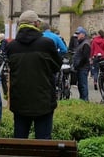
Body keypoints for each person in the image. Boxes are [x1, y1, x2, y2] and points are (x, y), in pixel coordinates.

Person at [4, 10, 62, 139]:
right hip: (43, 100)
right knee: (43, 142)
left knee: (20, 140)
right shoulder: (46, 43)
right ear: (36, 24)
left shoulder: (12, 46)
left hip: (19, 101)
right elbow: (56, 66)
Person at [70, 27, 92, 101]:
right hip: (80, 67)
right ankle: (82, 99)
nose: (77, 36)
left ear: (83, 34)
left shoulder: (85, 44)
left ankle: (85, 100)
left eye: (78, 34)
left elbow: (85, 57)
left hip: (83, 68)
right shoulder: (81, 43)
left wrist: (78, 65)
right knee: (80, 85)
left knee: (83, 85)